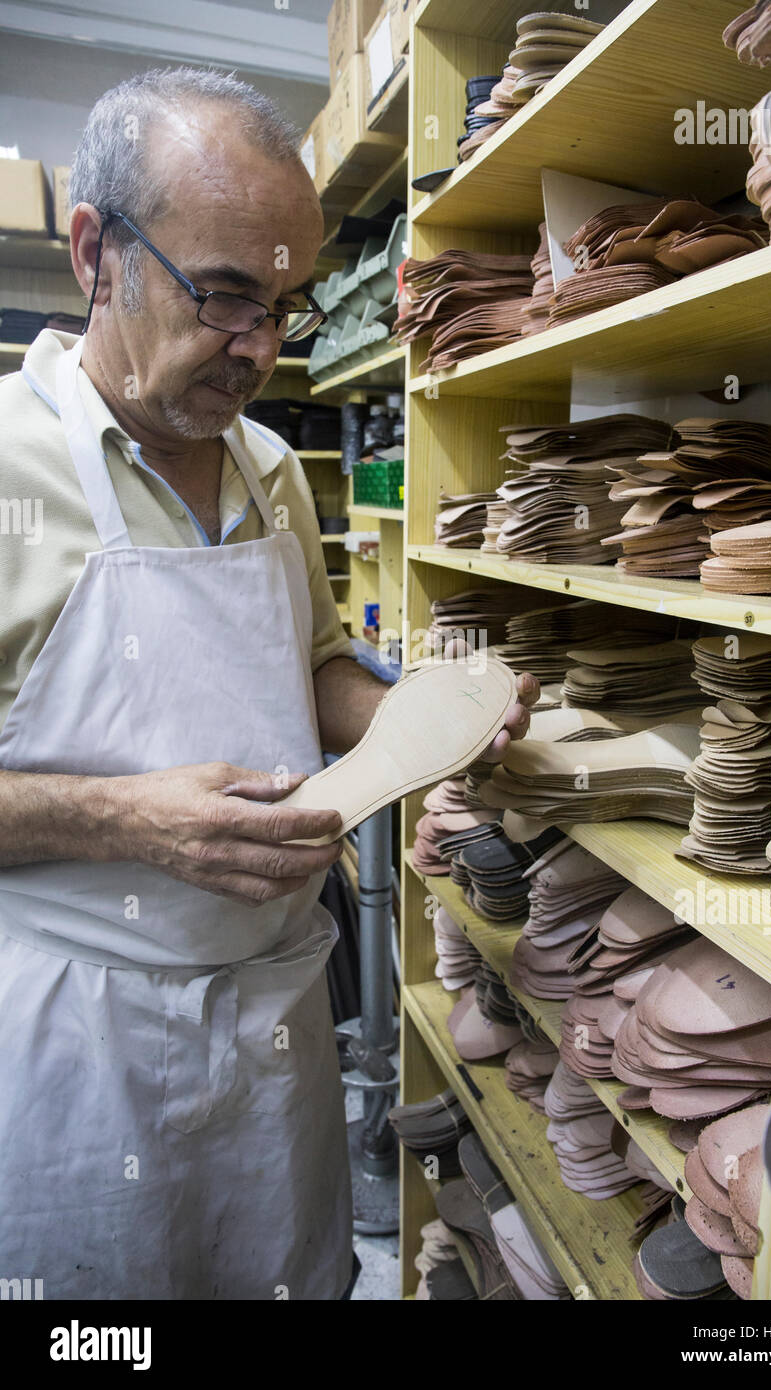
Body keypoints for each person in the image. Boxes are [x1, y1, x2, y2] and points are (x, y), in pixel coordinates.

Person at [0, 67, 538, 1300]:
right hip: (79, 1042)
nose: (257, 350)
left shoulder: (269, 470)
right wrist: (124, 819)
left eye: (285, 307)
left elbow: (311, 671)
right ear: (97, 252)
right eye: (226, 296)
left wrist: (425, 719)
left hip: (278, 1019)